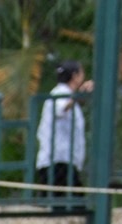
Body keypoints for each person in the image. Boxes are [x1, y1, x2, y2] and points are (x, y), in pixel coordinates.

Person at [36, 60, 90, 198]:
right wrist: (80, 94)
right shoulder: (58, 94)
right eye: (81, 73)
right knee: (71, 202)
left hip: (66, 161)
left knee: (65, 201)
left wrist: (81, 96)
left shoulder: (68, 95)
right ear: (75, 76)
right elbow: (62, 108)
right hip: (57, 161)